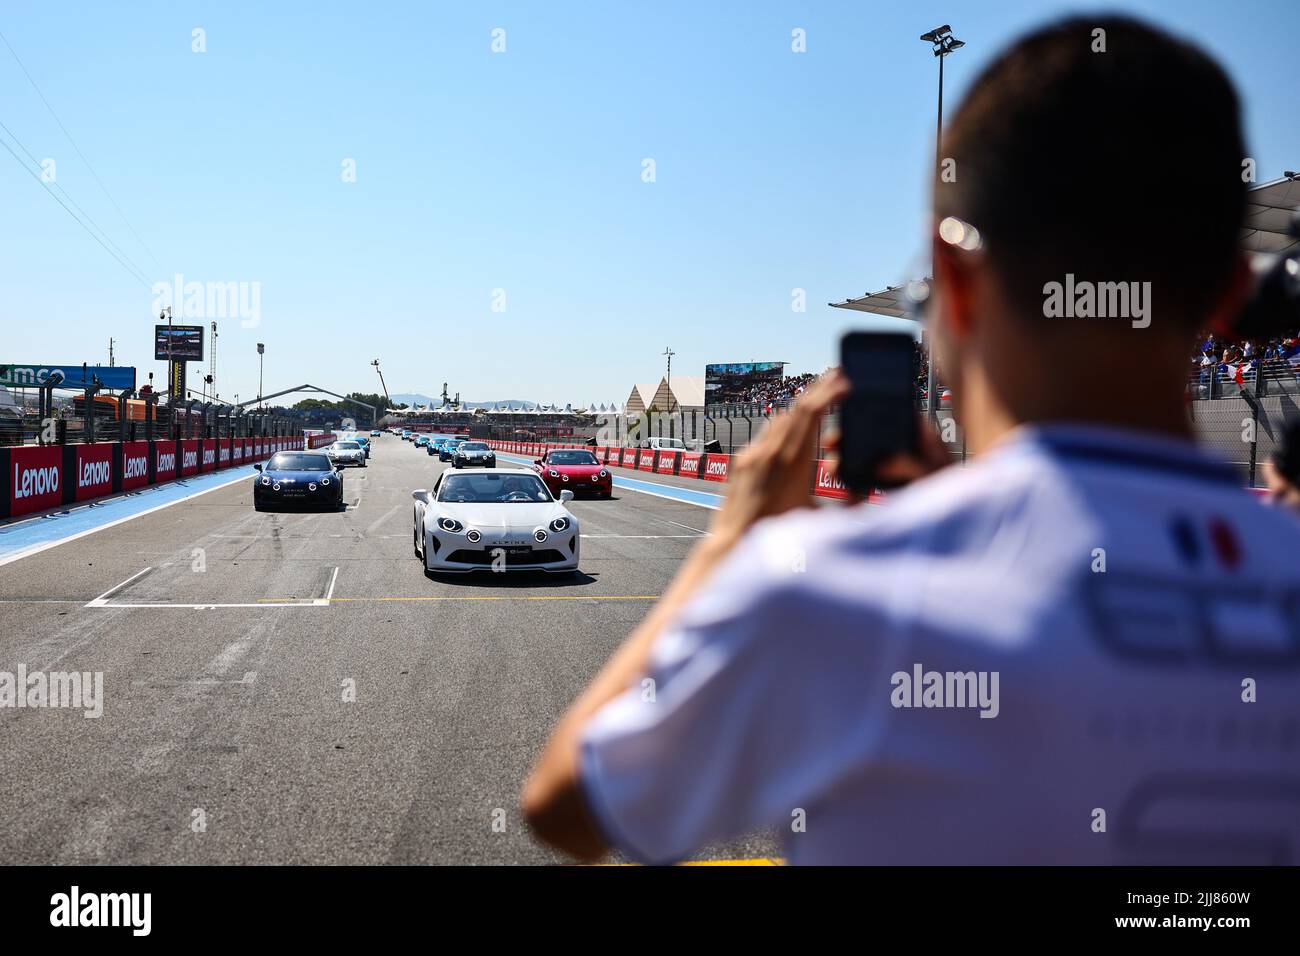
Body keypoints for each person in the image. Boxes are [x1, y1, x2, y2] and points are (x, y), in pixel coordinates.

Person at [521, 15, 1300, 864]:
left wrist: (728, 548)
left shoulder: (836, 591)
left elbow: (567, 807)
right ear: (1230, 292)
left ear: (953, 279)